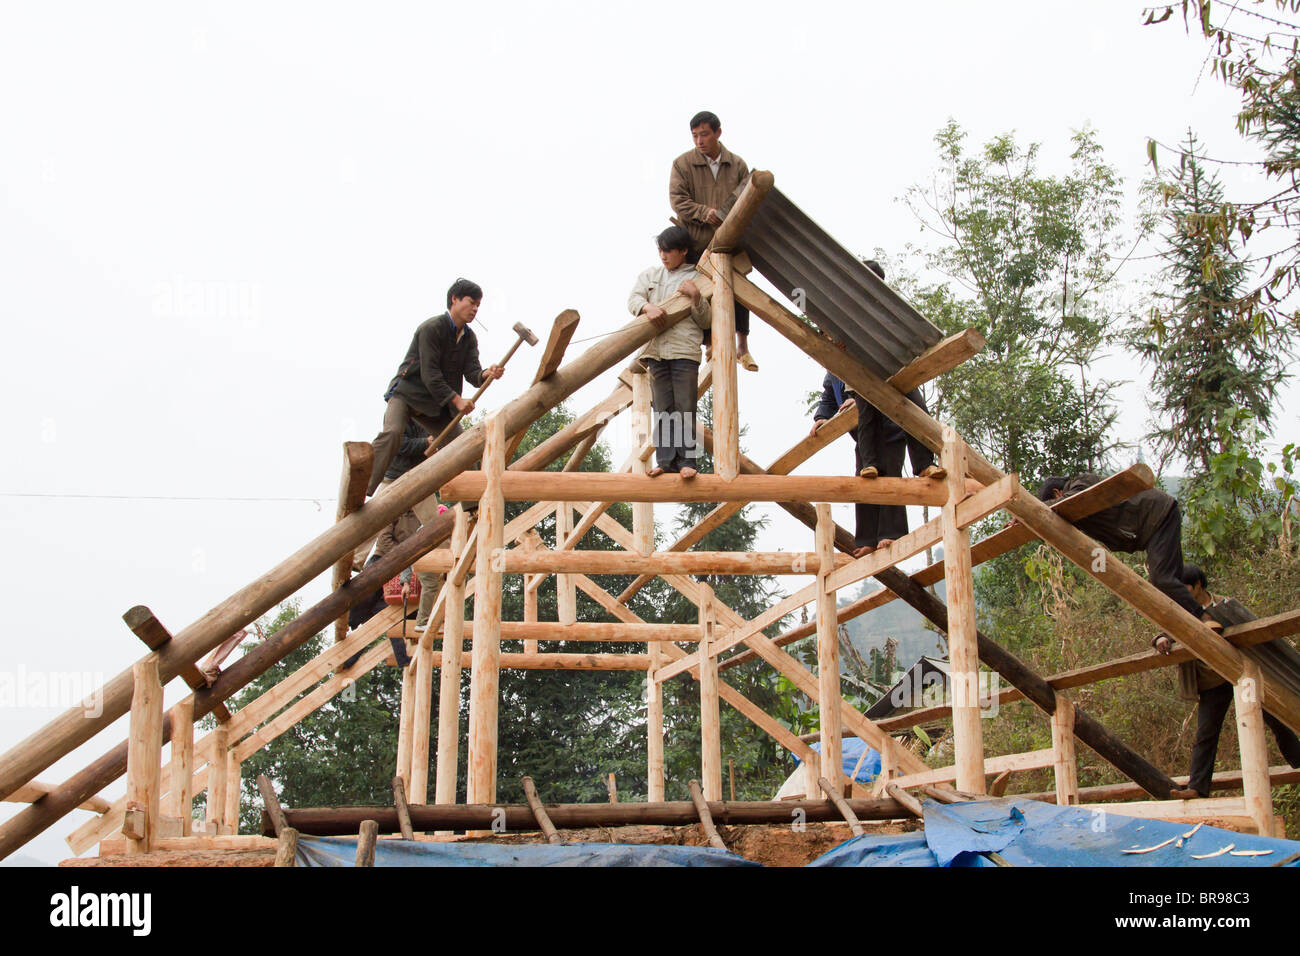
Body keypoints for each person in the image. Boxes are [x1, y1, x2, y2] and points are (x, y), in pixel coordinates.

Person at [1155, 564, 1300, 797]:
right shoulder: (1180, 610)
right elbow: (1167, 630)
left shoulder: (1225, 605)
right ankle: (1197, 788)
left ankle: (1298, 760)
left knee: (1278, 719)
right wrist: (1161, 638)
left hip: (1243, 672)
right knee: (1206, 733)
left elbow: (1249, 628)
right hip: (1212, 680)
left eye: (1184, 587)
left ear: (1198, 585)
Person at [367, 278, 504, 496]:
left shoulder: (469, 338)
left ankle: (472, 506)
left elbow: (473, 373)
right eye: (471, 302)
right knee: (392, 433)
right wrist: (457, 400)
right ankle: (364, 484)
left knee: (463, 446)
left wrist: (487, 374)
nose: (475, 309)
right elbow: (430, 374)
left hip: (435, 405)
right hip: (407, 395)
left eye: (479, 304)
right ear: (455, 299)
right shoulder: (431, 329)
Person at [1036, 474, 1209, 624]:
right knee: (1168, 585)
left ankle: (1205, 619)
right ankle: (1178, 631)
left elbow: (1067, 502)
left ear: (1057, 493)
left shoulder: (1080, 483)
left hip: (1157, 516)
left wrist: (1036, 510)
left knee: (1162, 579)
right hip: (1152, 525)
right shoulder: (1074, 513)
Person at [812, 371, 944, 558]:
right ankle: (868, 540)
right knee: (862, 481)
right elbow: (828, 398)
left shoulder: (862, 356)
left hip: (888, 427)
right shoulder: (833, 372)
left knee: (889, 476)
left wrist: (858, 400)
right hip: (864, 438)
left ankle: (891, 533)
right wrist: (821, 417)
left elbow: (878, 384)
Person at [669, 110, 758, 372]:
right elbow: (678, 200)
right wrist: (702, 213)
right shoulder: (682, 164)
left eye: (704, 134)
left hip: (730, 240)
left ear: (718, 133)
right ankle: (710, 343)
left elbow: (747, 197)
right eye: (695, 136)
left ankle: (743, 346)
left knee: (740, 290)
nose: (699, 140)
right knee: (704, 295)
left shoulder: (737, 164)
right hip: (697, 242)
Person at [629, 225, 711, 477]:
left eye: (668, 251)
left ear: (683, 251)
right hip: (656, 351)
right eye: (660, 250)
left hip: (684, 350)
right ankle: (665, 462)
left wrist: (696, 297)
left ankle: (687, 462)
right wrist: (646, 307)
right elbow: (633, 299)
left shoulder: (699, 278)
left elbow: (707, 321)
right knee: (662, 407)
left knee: (684, 406)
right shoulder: (650, 275)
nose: (663, 256)